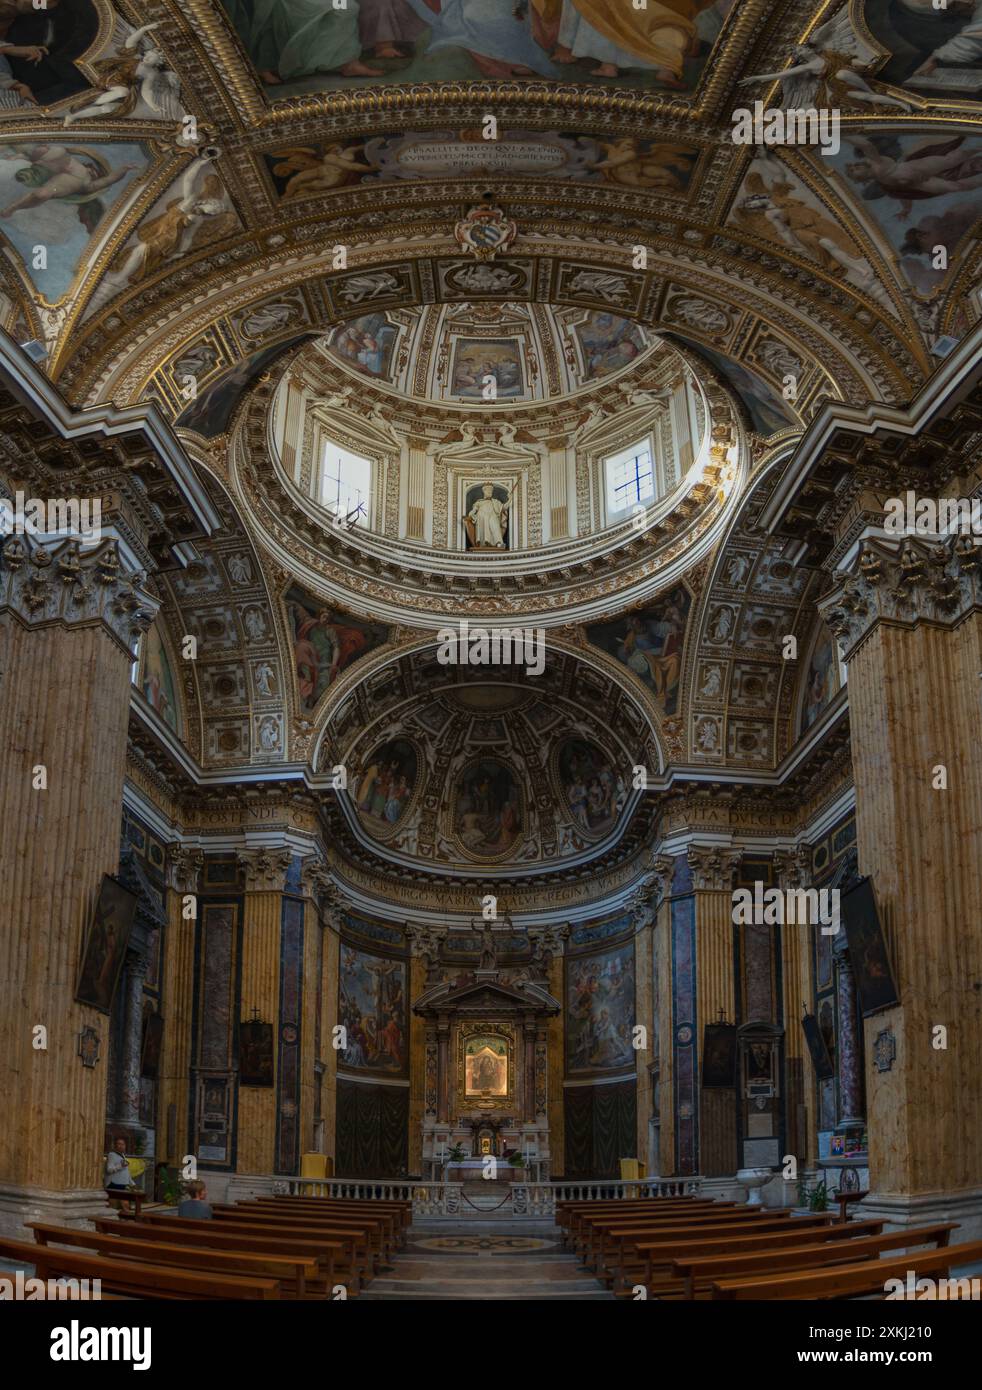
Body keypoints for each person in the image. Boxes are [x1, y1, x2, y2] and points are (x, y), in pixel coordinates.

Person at [104, 1136, 132, 1216]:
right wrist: (120, 1166)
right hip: (114, 1184)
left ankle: (125, 1222)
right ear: (115, 1145)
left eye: (122, 1144)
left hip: (122, 1184)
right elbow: (109, 1170)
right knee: (112, 1207)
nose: (121, 1146)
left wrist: (132, 1183)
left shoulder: (122, 1155)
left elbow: (126, 1172)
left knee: (126, 1206)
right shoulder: (112, 1155)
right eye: (119, 1144)